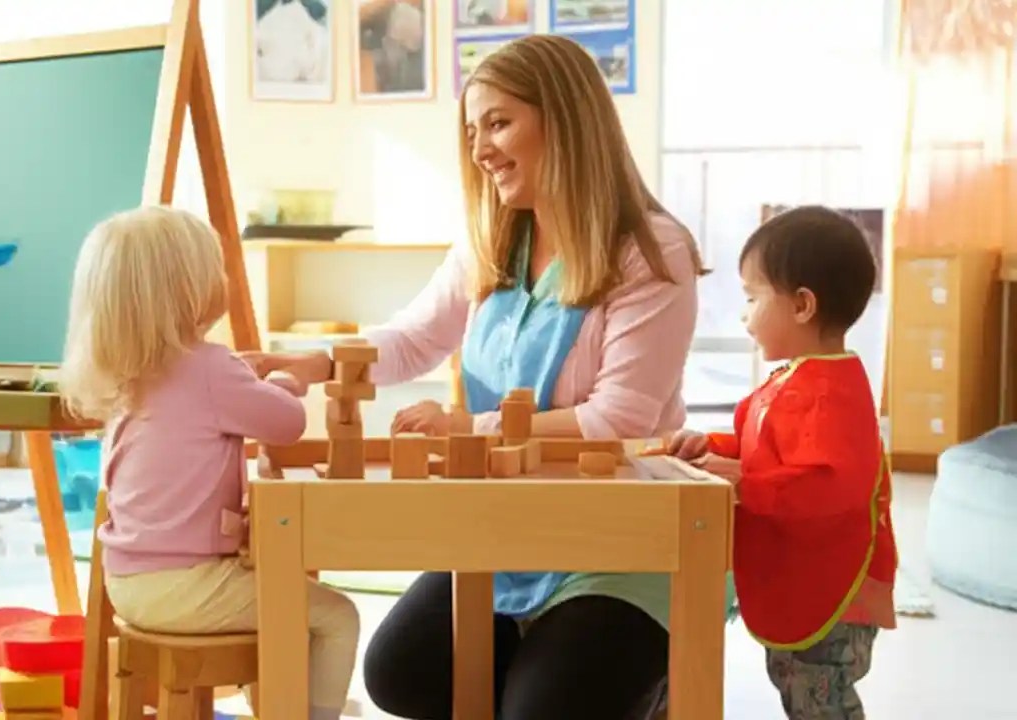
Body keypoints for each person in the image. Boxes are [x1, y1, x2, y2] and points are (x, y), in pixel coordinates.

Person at [243, 34, 724, 718]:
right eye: (472, 131)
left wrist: (469, 427)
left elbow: (621, 418)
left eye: (498, 123)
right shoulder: (492, 239)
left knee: (541, 707)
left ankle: (624, 683)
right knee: (400, 673)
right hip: (503, 529)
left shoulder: (652, 251)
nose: (479, 151)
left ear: (567, 120)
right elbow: (413, 337)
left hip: (615, 544)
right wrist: (318, 363)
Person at [59, 206, 360, 720]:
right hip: (185, 584)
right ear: (188, 292)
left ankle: (285, 702)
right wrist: (286, 381)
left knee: (270, 595)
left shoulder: (129, 370)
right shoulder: (206, 367)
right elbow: (286, 423)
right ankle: (315, 714)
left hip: (129, 584)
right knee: (336, 616)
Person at [667, 206, 897, 719]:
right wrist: (712, 447)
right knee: (794, 682)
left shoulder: (832, 394)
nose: (744, 315)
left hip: (834, 593)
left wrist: (745, 484)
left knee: (821, 701)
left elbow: (828, 486)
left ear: (802, 306)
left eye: (751, 298)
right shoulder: (796, 377)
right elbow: (764, 447)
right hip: (804, 580)